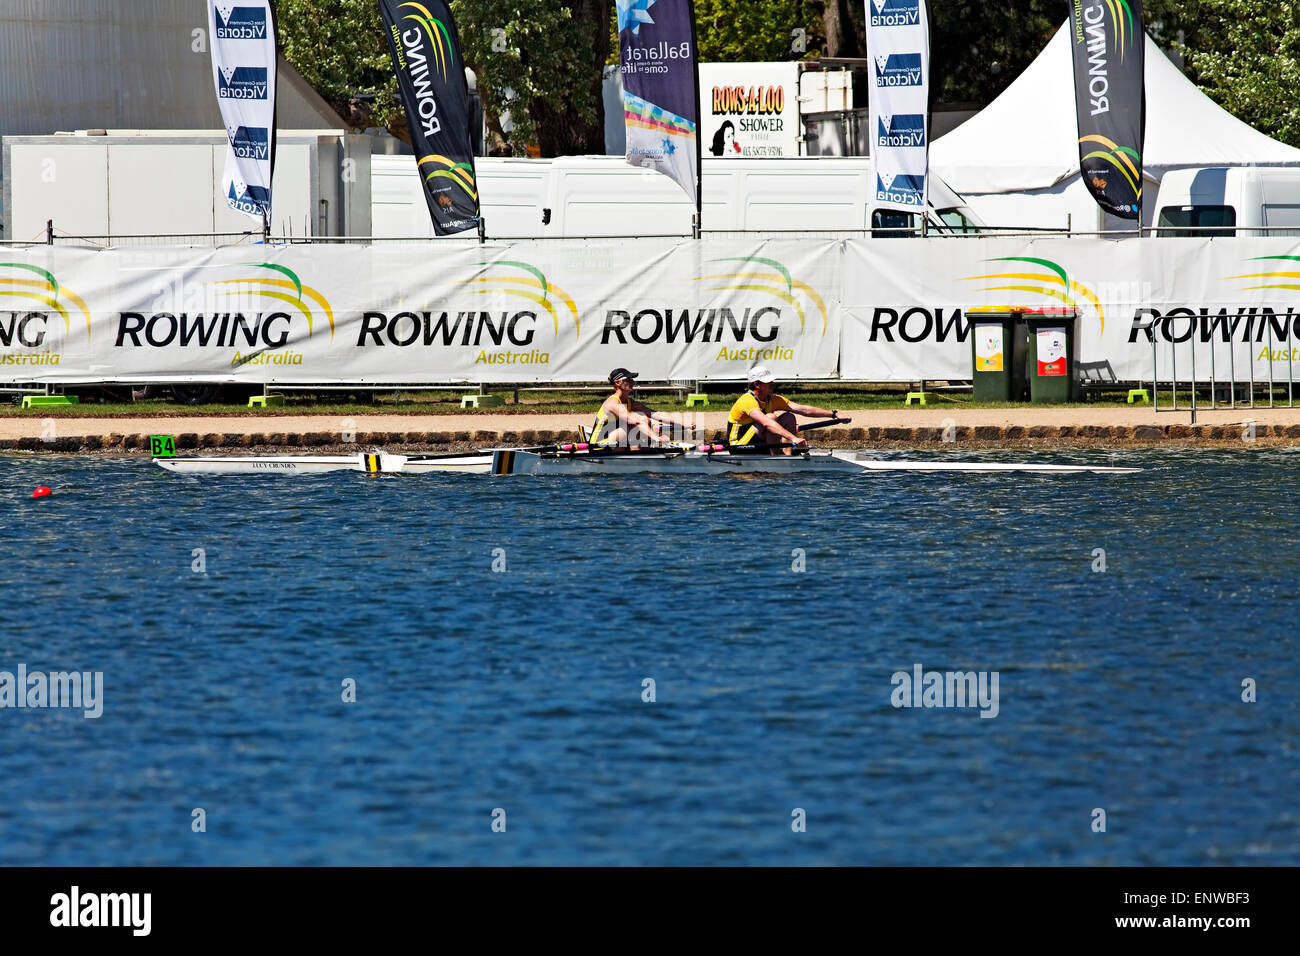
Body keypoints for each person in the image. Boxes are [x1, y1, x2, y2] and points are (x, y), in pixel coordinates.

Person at [727, 366, 841, 453]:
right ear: (757, 384)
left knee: (788, 417)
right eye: (768, 382)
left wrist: (834, 414)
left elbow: (803, 409)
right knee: (770, 417)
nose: (772, 384)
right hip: (739, 445)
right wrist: (794, 438)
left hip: (758, 441)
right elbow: (766, 423)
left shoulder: (772, 399)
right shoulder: (747, 401)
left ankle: (787, 455)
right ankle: (776, 457)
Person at [589, 368, 682, 448]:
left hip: (614, 442)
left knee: (646, 419)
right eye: (628, 379)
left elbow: (656, 414)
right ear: (617, 382)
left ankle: (640, 455)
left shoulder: (630, 402)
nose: (633, 382)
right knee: (630, 427)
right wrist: (656, 438)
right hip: (598, 445)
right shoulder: (612, 403)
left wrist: (683, 423)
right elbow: (635, 421)